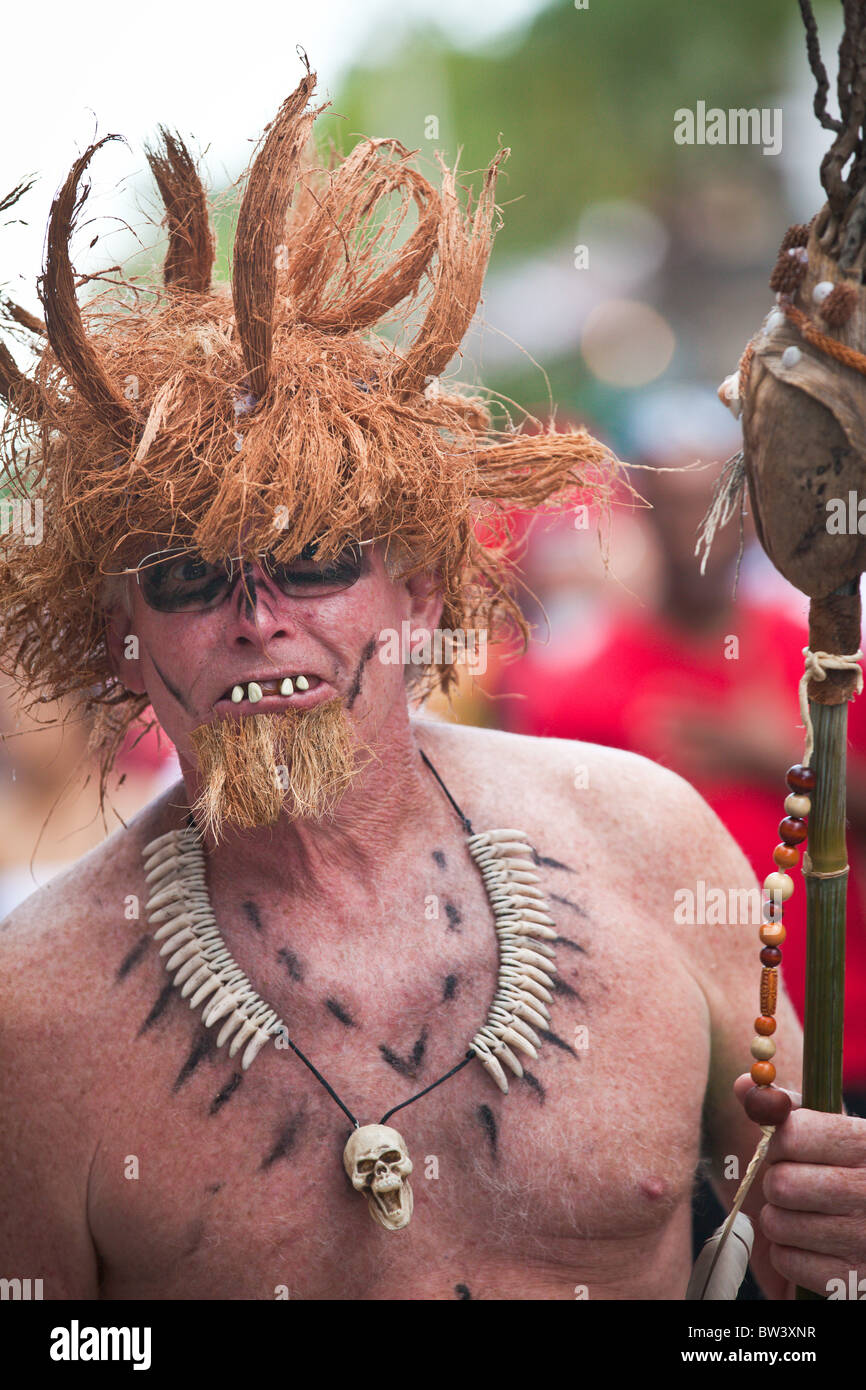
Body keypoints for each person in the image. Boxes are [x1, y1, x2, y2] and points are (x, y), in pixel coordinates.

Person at [0, 69, 864, 1302]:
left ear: (416, 591)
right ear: (122, 638)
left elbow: (795, 1301)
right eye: (188, 576)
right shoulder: (33, 1023)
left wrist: (833, 1266)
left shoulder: (646, 843)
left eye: (309, 556)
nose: (258, 620)